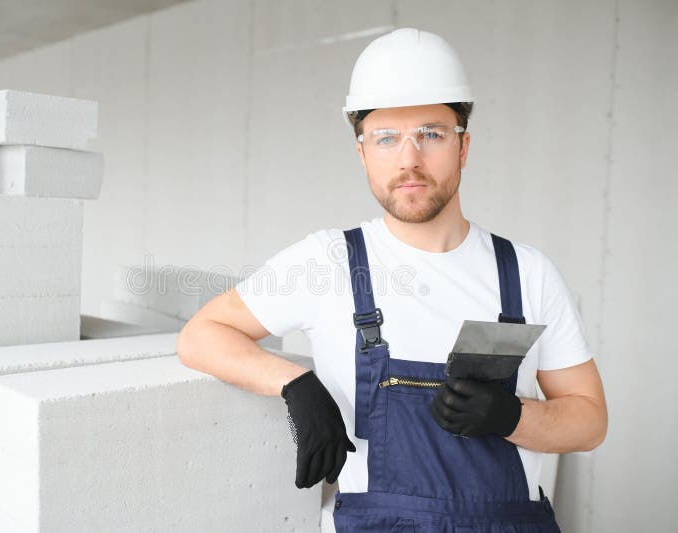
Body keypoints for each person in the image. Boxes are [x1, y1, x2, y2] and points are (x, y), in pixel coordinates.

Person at [177, 27, 607, 532]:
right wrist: (294, 384)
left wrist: (512, 417)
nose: (409, 159)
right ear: (363, 154)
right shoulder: (328, 262)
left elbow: (589, 419)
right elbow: (200, 336)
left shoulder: (528, 274)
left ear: (463, 147)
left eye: (430, 133)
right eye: (386, 138)